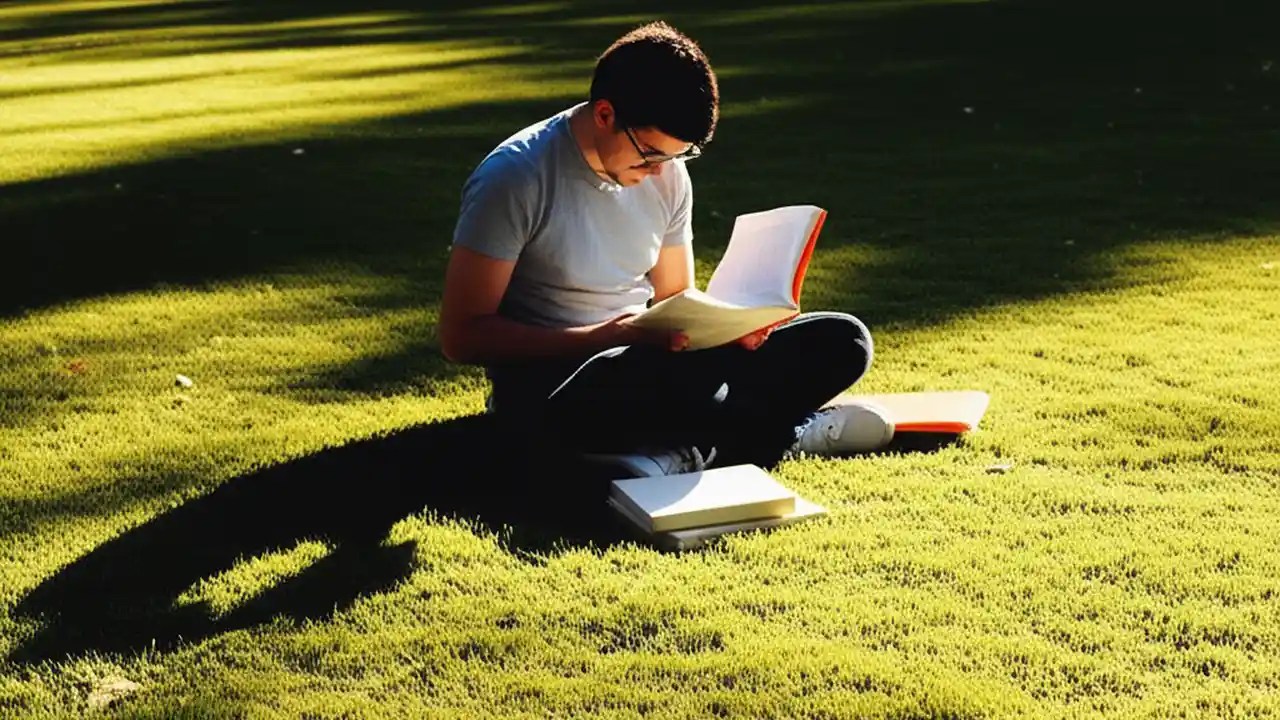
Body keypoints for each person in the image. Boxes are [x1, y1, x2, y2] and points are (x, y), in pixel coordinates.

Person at [438, 21, 891, 477]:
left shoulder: (669, 175)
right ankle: (772, 434)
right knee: (655, 378)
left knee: (844, 340)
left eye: (676, 157)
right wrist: (609, 336)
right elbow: (462, 336)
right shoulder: (515, 177)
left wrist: (732, 328)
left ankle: (678, 450)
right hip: (559, 381)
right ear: (604, 115)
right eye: (650, 153)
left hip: (646, 359)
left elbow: (678, 301)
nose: (659, 172)